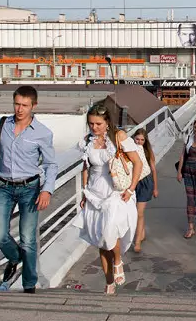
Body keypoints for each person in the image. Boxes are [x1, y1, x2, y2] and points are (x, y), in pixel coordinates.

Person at [0, 85, 57, 294]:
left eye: (25, 105)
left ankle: (29, 284)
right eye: (17, 104)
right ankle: (15, 258)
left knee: (28, 239)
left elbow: (51, 164)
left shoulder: (43, 133)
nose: (20, 109)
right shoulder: (2, 123)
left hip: (30, 188)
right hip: (3, 186)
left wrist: (46, 190)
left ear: (33, 106)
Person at [74, 104, 143, 294]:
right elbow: (86, 168)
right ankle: (109, 282)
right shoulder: (87, 141)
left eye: (98, 124)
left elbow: (137, 163)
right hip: (94, 192)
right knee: (101, 241)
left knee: (109, 231)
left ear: (107, 123)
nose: (94, 128)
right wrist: (84, 194)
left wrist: (131, 189)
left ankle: (118, 260)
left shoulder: (118, 137)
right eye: (90, 124)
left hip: (116, 192)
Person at [132, 128, 159, 253]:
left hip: (145, 182)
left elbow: (153, 170)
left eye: (142, 140)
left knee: (139, 212)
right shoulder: (130, 150)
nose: (139, 142)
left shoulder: (148, 152)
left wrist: (155, 188)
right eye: (137, 139)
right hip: (133, 182)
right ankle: (141, 234)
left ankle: (137, 242)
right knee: (136, 212)